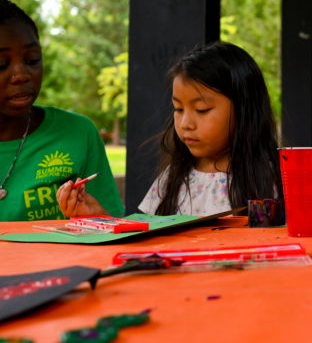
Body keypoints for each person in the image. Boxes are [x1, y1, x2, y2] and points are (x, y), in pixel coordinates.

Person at [61, 41, 282, 217]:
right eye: (178, 108)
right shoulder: (174, 177)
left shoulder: (268, 178)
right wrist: (97, 216)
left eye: (202, 110)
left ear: (245, 109)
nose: (186, 123)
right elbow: (150, 245)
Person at [0, 0, 123, 221]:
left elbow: (112, 234)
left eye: (32, 60)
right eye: (1, 64)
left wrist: (94, 220)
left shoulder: (77, 132)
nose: (21, 75)